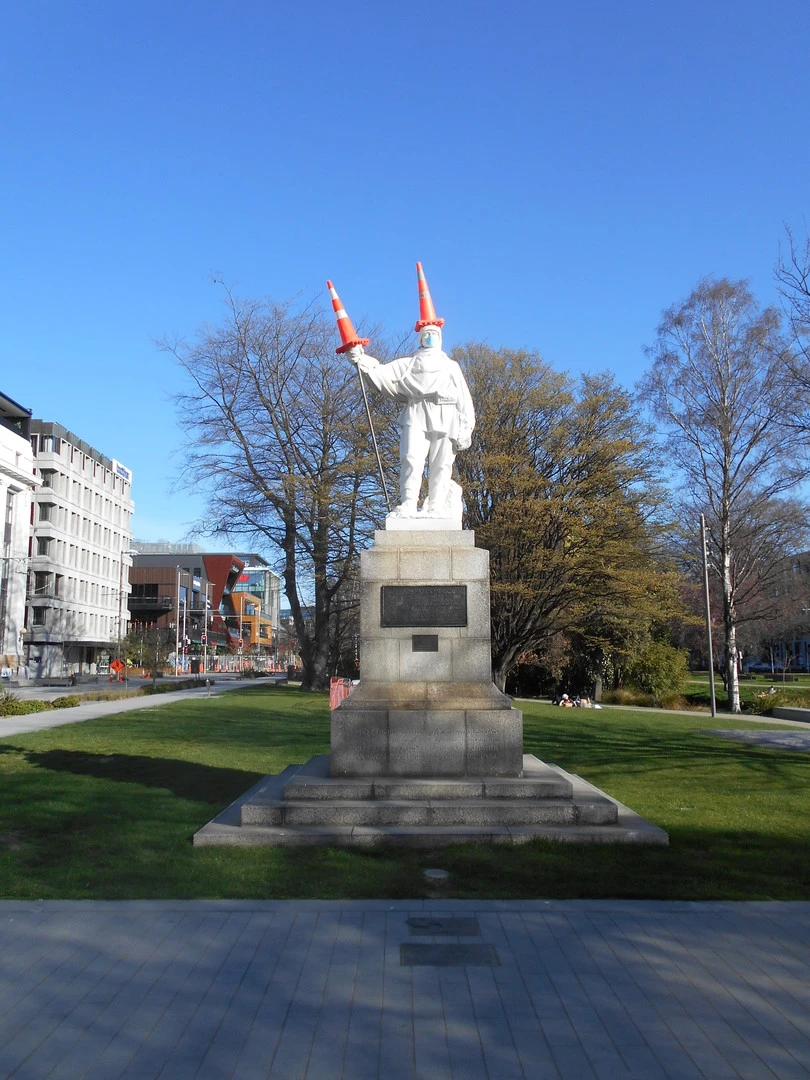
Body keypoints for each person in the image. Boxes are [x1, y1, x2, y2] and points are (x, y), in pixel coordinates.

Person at [346, 264, 475, 520]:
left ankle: (436, 505)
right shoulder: (408, 364)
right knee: (412, 460)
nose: (428, 337)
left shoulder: (450, 367)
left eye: (432, 333)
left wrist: (466, 427)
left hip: (445, 413)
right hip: (416, 412)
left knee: (441, 465)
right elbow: (381, 374)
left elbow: (464, 401)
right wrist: (359, 359)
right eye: (425, 333)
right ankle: (408, 502)